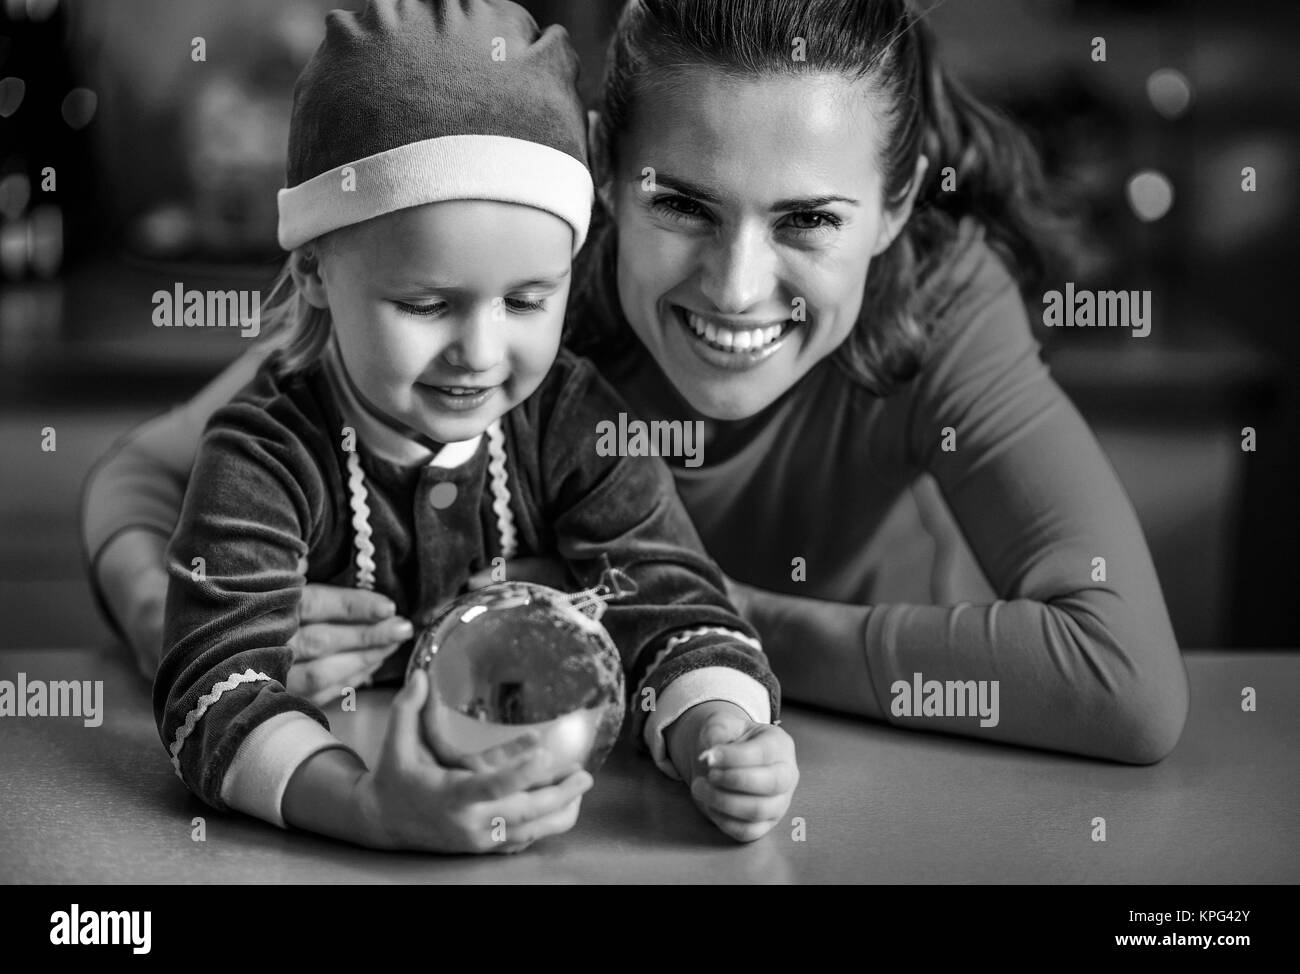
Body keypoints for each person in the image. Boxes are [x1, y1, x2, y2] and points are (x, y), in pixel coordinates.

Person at [84, 0, 1187, 770]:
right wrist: (184, 624)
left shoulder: (944, 303)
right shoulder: (503, 297)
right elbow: (137, 481)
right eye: (682, 206)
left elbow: (1122, 679)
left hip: (834, 761)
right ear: (605, 172)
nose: (738, 287)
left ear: (895, 205)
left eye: (807, 219)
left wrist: (675, 619)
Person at [148, 0, 797, 853]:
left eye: (528, 300)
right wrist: (369, 806)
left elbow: (671, 604)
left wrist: (717, 731)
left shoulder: (577, 420)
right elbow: (214, 687)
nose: (481, 354)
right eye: (426, 304)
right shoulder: (264, 454)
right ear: (311, 269)